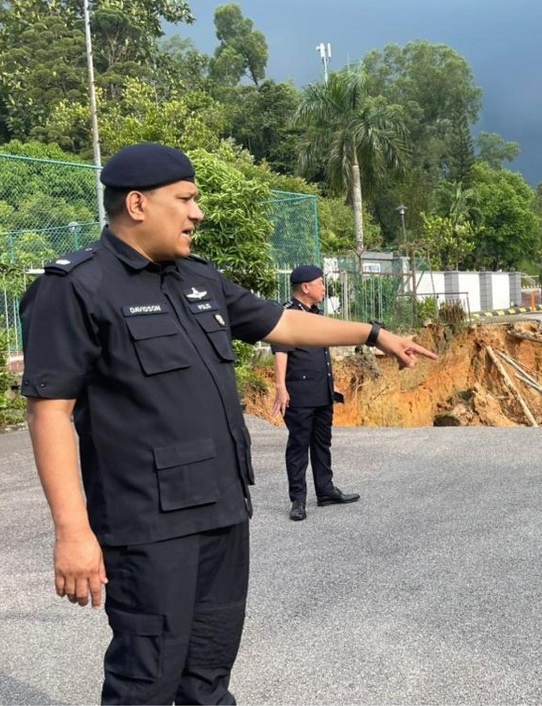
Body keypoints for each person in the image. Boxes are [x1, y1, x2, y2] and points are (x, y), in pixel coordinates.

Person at [19, 142, 436, 704]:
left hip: (222, 511)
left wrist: (373, 333)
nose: (197, 213)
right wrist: (73, 533)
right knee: (145, 683)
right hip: (149, 527)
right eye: (185, 200)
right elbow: (49, 411)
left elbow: (284, 325)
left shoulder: (197, 279)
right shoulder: (75, 288)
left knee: (210, 680)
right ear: (138, 204)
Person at [271, 265, 359, 521]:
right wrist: (280, 388)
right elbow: (281, 352)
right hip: (299, 393)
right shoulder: (289, 315)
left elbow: (322, 353)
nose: (324, 287)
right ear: (305, 287)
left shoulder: (315, 314)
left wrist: (332, 383)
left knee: (322, 443)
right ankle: (298, 499)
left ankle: (326, 490)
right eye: (320, 283)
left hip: (322, 391)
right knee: (299, 446)